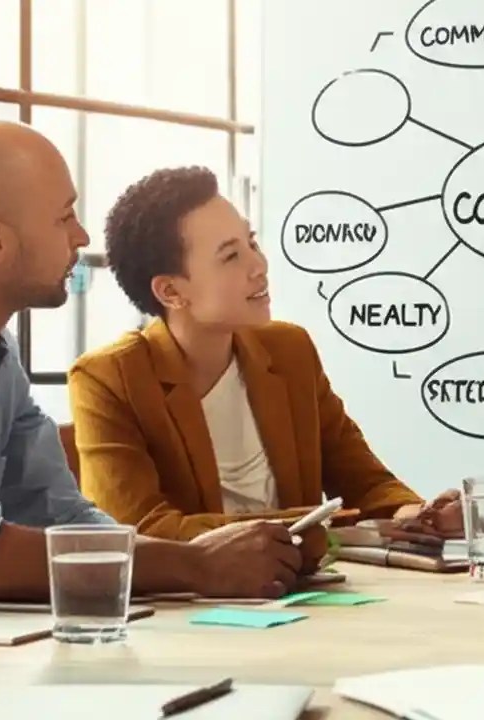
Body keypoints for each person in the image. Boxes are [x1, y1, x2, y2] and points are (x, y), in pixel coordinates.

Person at [0, 120, 313, 611]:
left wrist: (199, 561)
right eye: (64, 217)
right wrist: (195, 565)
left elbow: (62, 517)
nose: (81, 235)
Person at [67, 166, 462, 542]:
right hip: (195, 593)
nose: (259, 265)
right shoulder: (110, 378)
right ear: (171, 292)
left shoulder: (289, 350)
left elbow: (364, 480)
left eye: (251, 242)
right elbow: (140, 530)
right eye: (230, 256)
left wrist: (414, 513)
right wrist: (318, 528)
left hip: (311, 587)